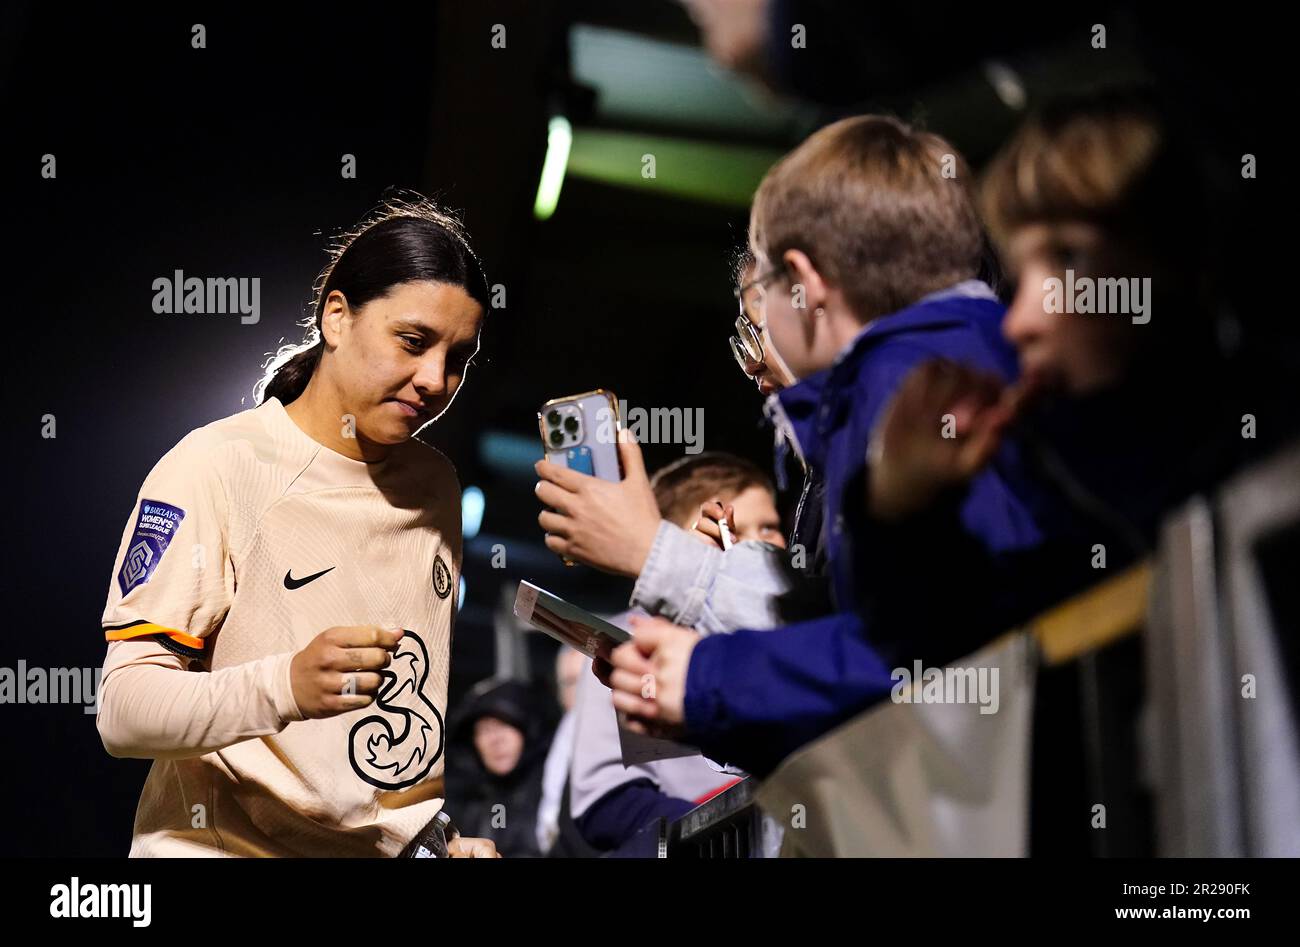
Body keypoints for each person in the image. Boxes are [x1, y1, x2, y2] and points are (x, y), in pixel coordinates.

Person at [604, 115, 1045, 776]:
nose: (758, 344)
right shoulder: (920, 372)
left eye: (763, 295)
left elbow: (937, 652)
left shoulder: (910, 388)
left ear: (802, 283)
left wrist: (707, 678)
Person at [95, 194, 499, 857]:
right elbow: (122, 710)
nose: (435, 379)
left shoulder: (437, 486)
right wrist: (284, 685)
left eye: (458, 357)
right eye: (413, 341)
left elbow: (365, 757)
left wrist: (431, 836)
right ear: (336, 317)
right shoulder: (216, 464)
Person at [569, 452, 786, 854]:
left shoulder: (806, 627)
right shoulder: (629, 640)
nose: (761, 543)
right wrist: (722, 827)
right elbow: (605, 799)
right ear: (677, 540)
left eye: (770, 527)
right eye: (732, 528)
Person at [446, 678, 553, 858]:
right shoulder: (461, 799)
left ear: (526, 728)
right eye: (485, 729)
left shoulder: (555, 785)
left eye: (504, 724)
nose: (495, 740)